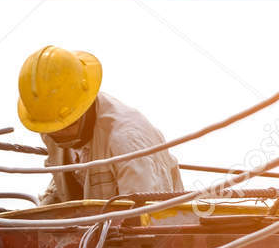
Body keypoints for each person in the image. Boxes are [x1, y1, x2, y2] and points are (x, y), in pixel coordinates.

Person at [17, 45, 184, 204]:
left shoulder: (127, 141)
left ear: (84, 107)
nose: (58, 135)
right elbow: (66, 180)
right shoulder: (49, 120)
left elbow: (147, 218)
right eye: (53, 130)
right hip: (90, 229)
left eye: (67, 126)